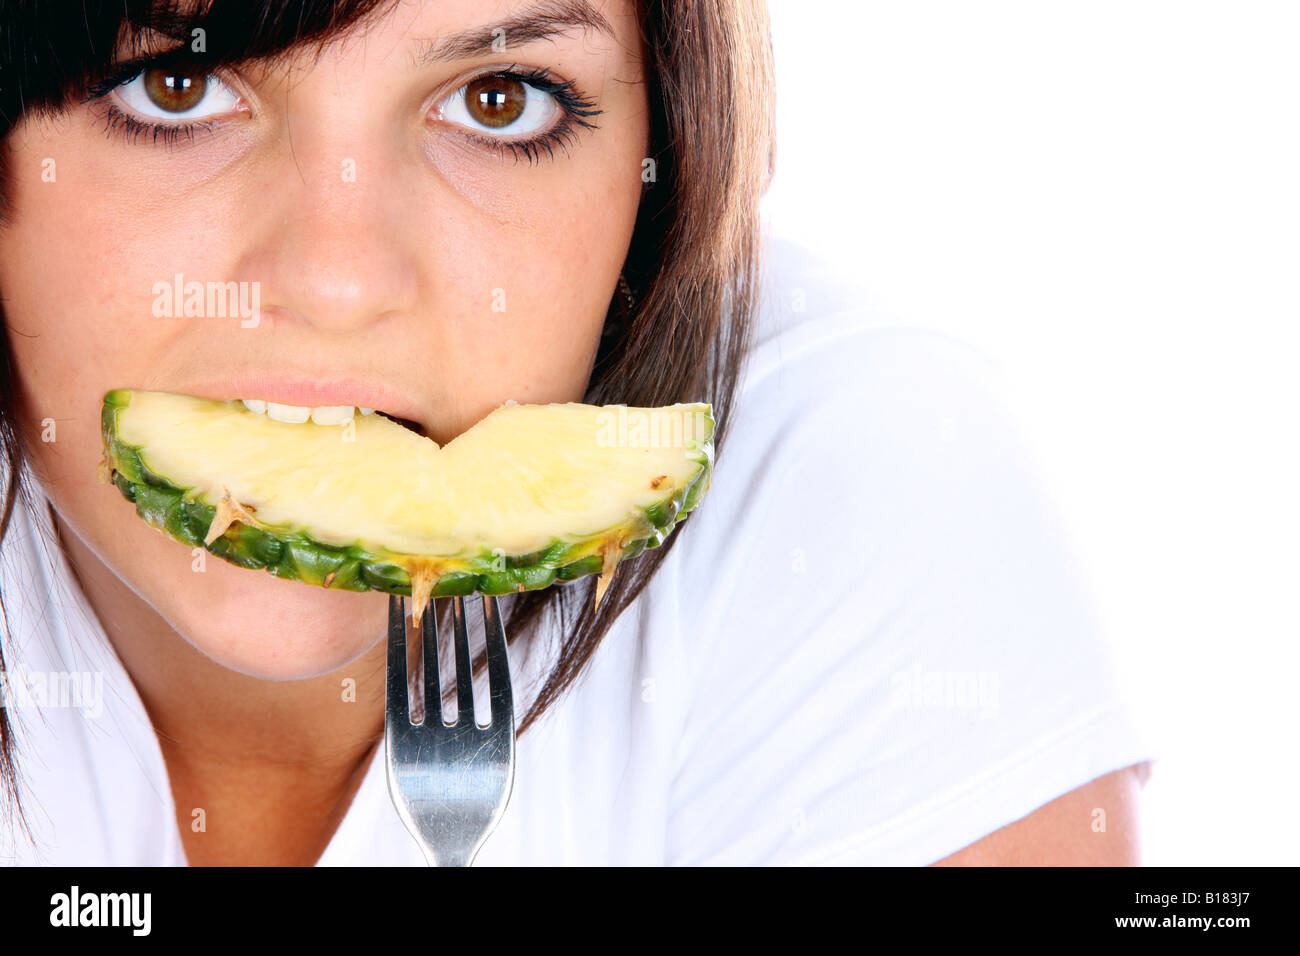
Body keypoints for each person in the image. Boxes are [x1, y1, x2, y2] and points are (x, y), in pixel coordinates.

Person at [0, 0, 1151, 866]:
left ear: (660, 170)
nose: (340, 279)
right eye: (176, 85)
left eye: (500, 99)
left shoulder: (863, 466)